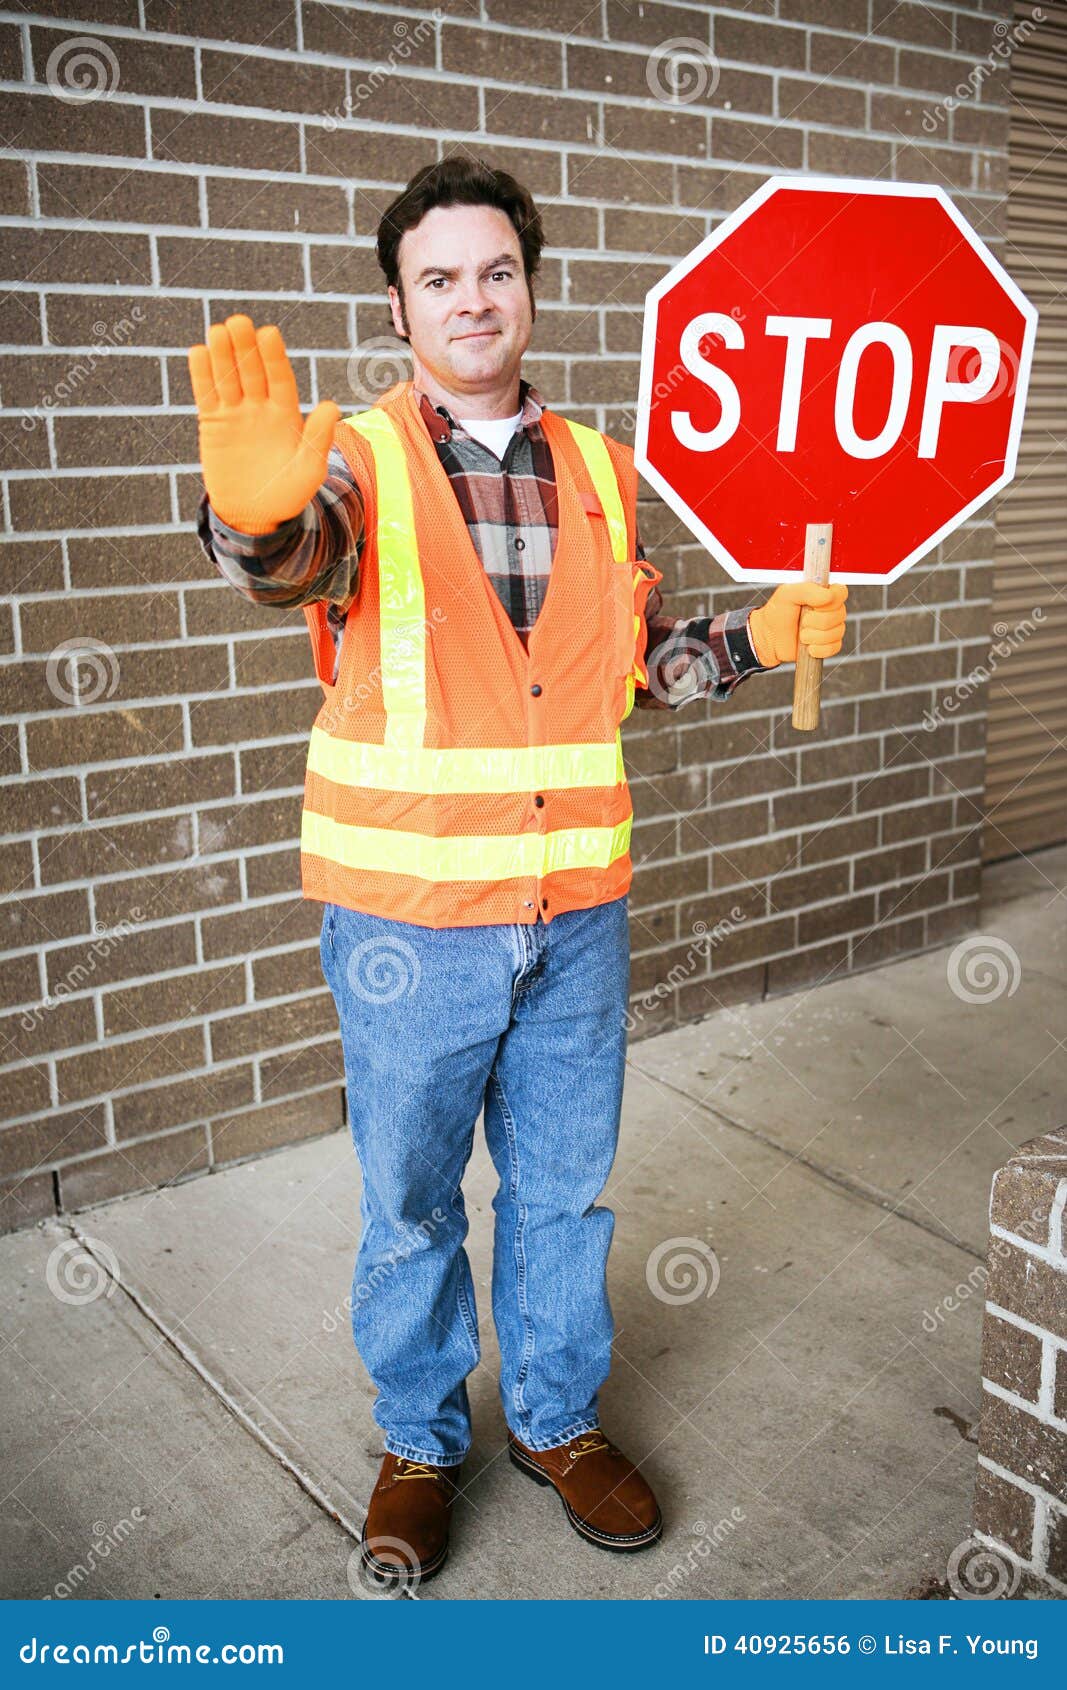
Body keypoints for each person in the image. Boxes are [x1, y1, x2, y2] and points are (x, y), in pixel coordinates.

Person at [189, 155, 847, 1587]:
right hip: (411, 924)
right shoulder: (357, 459)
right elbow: (302, 556)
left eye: (497, 271)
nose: (472, 299)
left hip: (579, 919)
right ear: (399, 304)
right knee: (412, 1197)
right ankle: (421, 1440)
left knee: (564, 1191)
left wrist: (757, 641)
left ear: (531, 289)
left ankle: (555, 1418)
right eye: (441, 278)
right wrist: (251, 522)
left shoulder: (606, 471)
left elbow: (638, 673)